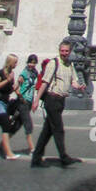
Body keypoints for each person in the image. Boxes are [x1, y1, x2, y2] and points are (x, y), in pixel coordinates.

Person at [31, 38, 84, 168]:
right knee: (58, 129)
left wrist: (79, 87)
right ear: (59, 51)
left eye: (66, 51)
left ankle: (36, 158)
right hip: (52, 99)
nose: (64, 53)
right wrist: (36, 100)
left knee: (47, 131)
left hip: (61, 101)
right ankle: (63, 157)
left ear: (70, 52)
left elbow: (73, 81)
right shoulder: (53, 63)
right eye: (62, 51)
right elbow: (45, 82)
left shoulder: (70, 65)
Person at [11, 54, 39, 157]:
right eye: (30, 62)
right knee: (28, 124)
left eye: (33, 62)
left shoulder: (35, 73)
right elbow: (15, 87)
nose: (31, 64)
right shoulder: (24, 73)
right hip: (23, 101)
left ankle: (2, 145)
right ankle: (32, 149)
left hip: (29, 102)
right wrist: (20, 96)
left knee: (17, 125)